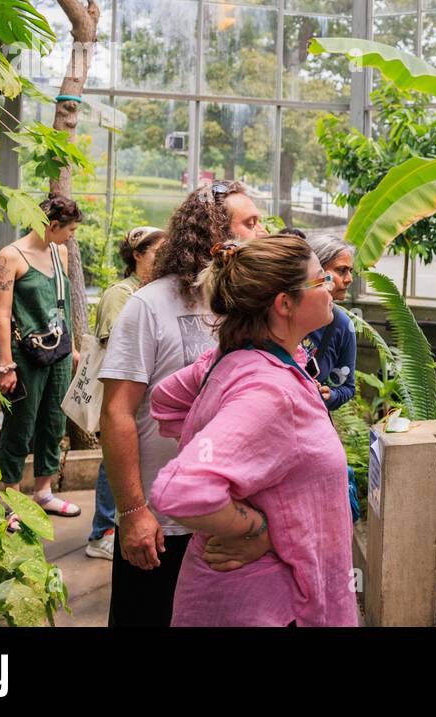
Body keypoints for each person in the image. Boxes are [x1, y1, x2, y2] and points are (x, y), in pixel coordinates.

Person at [150, 234, 356, 626]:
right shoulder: (270, 392)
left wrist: (214, 440)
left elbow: (166, 400)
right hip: (266, 603)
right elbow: (181, 489)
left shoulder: (236, 357)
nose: (331, 284)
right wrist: (257, 529)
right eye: (320, 279)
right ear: (284, 304)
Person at [99, 180, 267, 627]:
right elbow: (116, 412)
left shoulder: (247, 309)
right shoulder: (149, 306)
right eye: (250, 223)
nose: (262, 232)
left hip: (227, 524)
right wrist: (134, 512)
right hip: (160, 524)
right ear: (216, 236)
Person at [0, 196, 82, 528]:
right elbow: (1, 314)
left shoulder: (59, 253)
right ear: (53, 225)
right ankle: (11, 498)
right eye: (69, 230)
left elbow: (64, 304)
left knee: (52, 421)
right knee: (20, 424)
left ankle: (43, 491)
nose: (71, 236)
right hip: (25, 355)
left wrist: (71, 346)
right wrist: (5, 364)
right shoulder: (10, 256)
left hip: (58, 350)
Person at [85, 225, 165, 561]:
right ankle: (101, 531)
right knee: (112, 461)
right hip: (120, 393)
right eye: (157, 252)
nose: (164, 259)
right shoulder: (122, 293)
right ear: (137, 255)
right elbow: (116, 344)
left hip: (144, 396)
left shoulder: (153, 291)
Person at [303, 236, 357, 413]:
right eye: (341, 270)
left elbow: (347, 387)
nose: (349, 279)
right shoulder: (284, 313)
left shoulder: (342, 326)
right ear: (316, 272)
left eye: (350, 271)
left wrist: (330, 395)